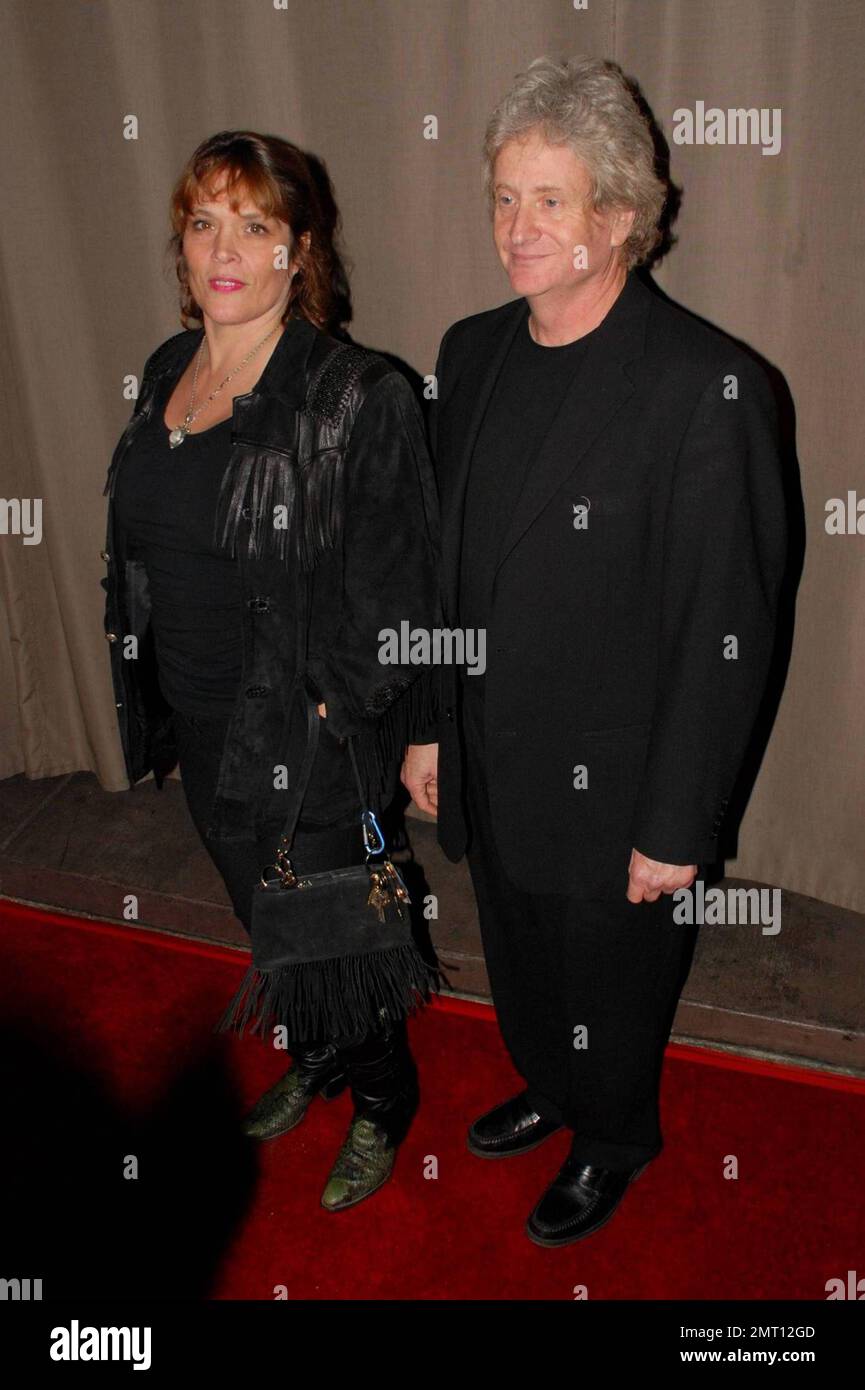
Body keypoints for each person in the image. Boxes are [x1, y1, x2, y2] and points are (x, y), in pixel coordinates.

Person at [402, 56, 788, 1246]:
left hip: (619, 778)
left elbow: (728, 633)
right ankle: (550, 1085)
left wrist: (678, 823)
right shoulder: (468, 353)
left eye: (551, 201)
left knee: (613, 986)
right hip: (487, 745)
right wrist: (426, 718)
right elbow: (443, 558)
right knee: (519, 956)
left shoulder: (706, 387)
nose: (518, 229)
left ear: (618, 215)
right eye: (505, 197)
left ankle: (612, 1132)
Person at [102, 130, 441, 1212]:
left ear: (300, 250)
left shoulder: (356, 397)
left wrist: (330, 716)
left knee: (339, 940)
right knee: (269, 924)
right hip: (201, 724)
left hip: (306, 741)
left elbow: (401, 598)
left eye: (255, 224)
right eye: (204, 222)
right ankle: (322, 1056)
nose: (225, 248)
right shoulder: (170, 367)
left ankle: (384, 1098)